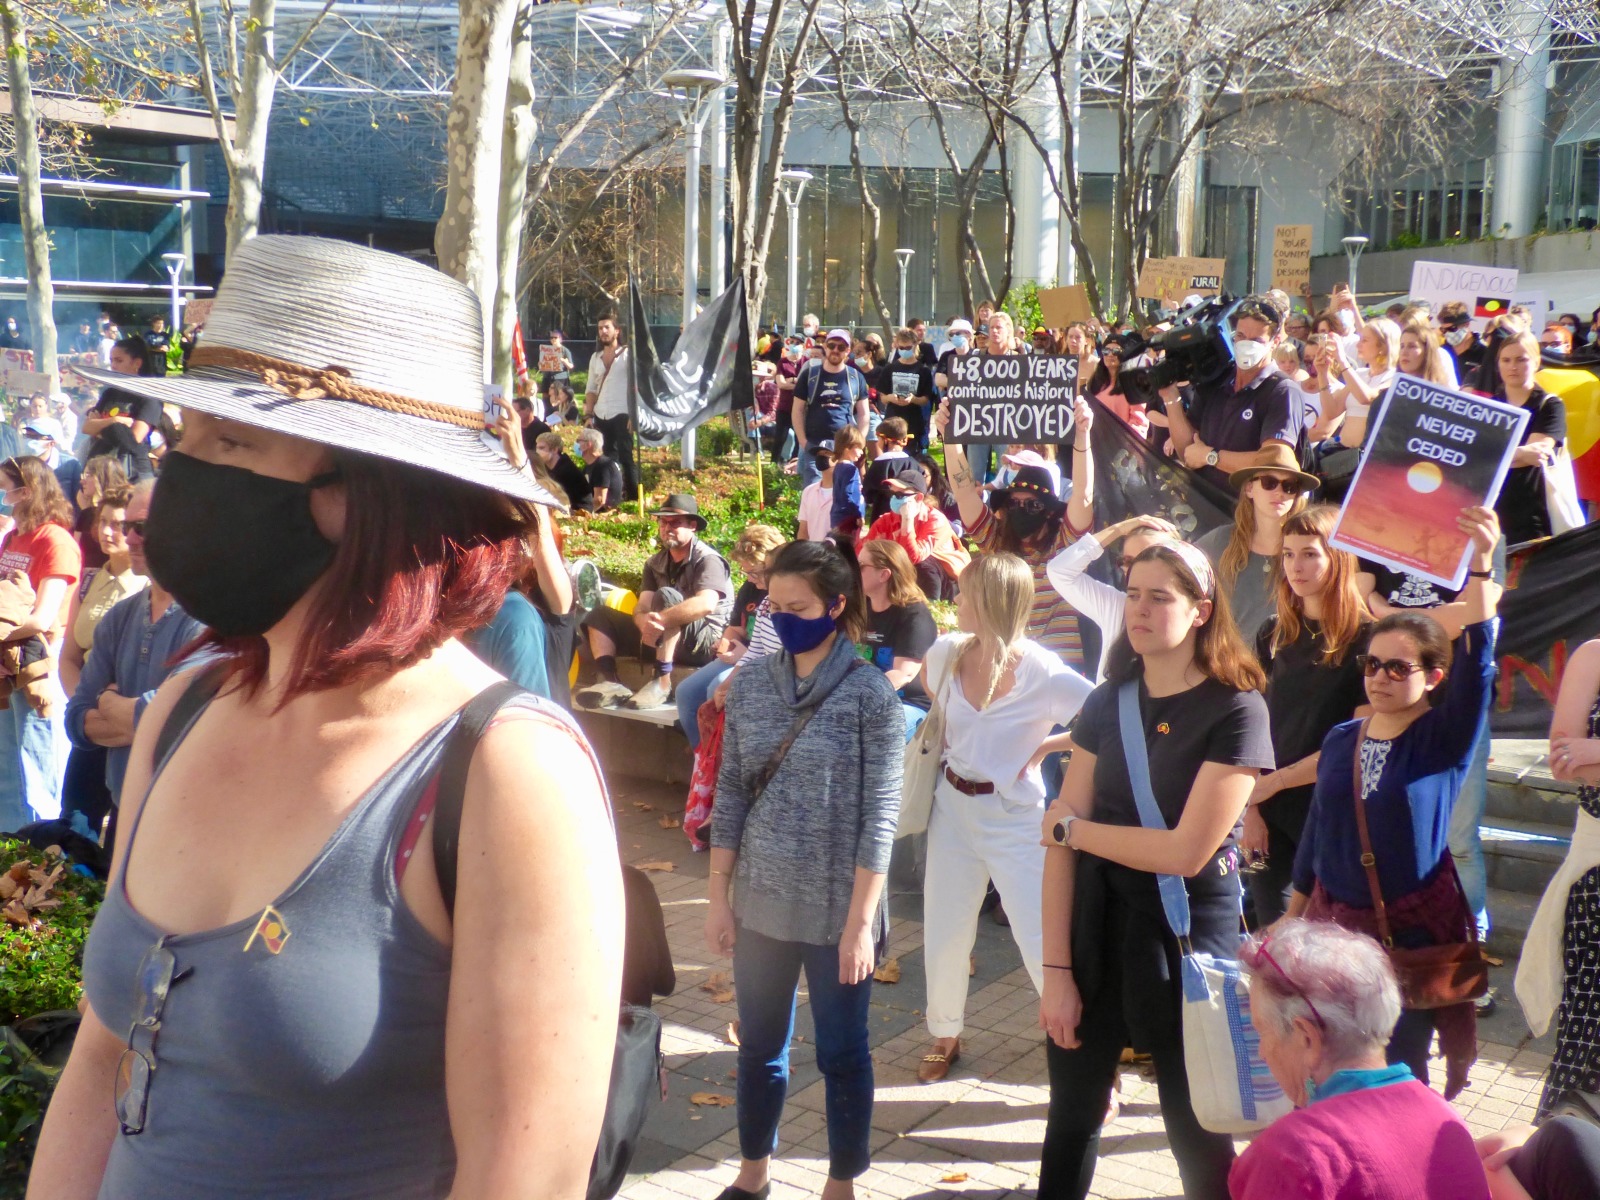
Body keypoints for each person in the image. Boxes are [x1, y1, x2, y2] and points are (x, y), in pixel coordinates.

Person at [30, 235, 619, 1198]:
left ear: (368, 493)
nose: (182, 472)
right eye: (188, 433)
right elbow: (103, 1064)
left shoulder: (506, 772)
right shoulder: (182, 708)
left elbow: (523, 1180)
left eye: (231, 442)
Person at [1038, 540, 1273, 1199]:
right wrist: (1056, 971)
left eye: (1159, 597)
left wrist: (1076, 831)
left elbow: (1184, 852)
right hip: (1098, 925)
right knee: (1072, 1115)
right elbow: (1057, 848)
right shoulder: (1108, 699)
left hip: (1188, 936)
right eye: (1133, 594)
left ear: (1201, 611)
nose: (1138, 609)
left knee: (1197, 1128)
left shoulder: (1237, 708)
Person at [704, 537, 901, 1200]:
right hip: (761, 903)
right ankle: (753, 1173)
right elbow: (732, 791)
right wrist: (718, 896)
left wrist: (860, 926)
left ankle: (841, 1183)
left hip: (839, 911)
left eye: (799, 607)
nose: (784, 619)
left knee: (842, 1052)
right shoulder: (752, 685)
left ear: (836, 606)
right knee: (759, 1047)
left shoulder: (870, 695)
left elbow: (880, 817)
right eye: (774, 607)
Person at [1288, 506, 1502, 1098]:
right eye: (1372, 664)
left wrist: (1482, 565)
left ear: (1433, 677)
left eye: (1398, 667)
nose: (1380, 676)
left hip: (1408, 942)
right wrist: (1293, 913)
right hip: (1333, 938)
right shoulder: (1341, 739)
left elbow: (1479, 663)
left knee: (1400, 1075)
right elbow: (1318, 831)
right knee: (1330, 1068)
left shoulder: (1443, 739)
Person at [916, 553, 1094, 1085]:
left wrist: (1046, 746)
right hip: (952, 806)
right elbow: (931, 691)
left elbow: (1103, 719)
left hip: (1015, 818)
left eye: (965, 592)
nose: (955, 601)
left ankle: (1084, 1058)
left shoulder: (1043, 671)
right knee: (945, 930)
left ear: (992, 601)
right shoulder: (947, 652)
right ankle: (944, 1033)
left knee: (1041, 938)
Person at [1229, 919, 1490, 1200]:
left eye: (1262, 1032)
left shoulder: (1291, 1156)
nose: (1262, 1052)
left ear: (1307, 1038)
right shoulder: (1442, 1116)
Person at [1245, 505, 1373, 927]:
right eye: (1287, 554)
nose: (1295, 566)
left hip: (1329, 808)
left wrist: (1275, 783)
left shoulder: (1368, 639)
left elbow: (1356, 743)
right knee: (1274, 935)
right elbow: (1250, 726)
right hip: (1268, 807)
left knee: (1327, 936)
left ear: (1337, 557)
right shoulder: (1273, 631)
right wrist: (1251, 807)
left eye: (1309, 554)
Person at [64, 480, 205, 832]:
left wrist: (108, 702)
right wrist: (145, 719)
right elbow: (77, 719)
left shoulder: (209, 620)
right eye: (127, 526)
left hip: (183, 822)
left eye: (140, 527)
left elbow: (179, 719)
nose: (129, 538)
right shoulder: (120, 617)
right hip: (122, 809)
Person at [935, 395, 1098, 677]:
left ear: (1049, 510)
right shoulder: (996, 542)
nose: (1021, 509)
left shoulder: (1066, 543)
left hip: (1061, 671)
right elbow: (964, 492)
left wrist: (1082, 436)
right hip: (1008, 669)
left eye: (1032, 505)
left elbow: (1083, 495)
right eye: (1014, 503)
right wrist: (951, 439)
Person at [1516, 636, 1600, 1119]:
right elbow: (1564, 762)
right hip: (1595, 881)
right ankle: (1567, 1151)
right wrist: (1583, 754)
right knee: (1585, 1036)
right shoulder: (1594, 655)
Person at [579, 494, 734, 710]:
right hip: (661, 636)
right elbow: (643, 605)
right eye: (663, 522)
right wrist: (643, 621)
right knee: (600, 615)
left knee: (668, 596)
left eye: (675, 523)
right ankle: (610, 682)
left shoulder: (708, 560)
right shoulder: (654, 563)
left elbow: (706, 603)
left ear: (692, 526)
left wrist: (660, 619)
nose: (667, 528)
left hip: (703, 643)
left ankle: (662, 681)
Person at [0, 455, 83, 832]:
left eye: (6, 489)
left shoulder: (55, 540)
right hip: (9, 659)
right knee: (7, 766)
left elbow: (44, 617)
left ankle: (43, 847)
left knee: (37, 762)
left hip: (39, 664)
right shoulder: (14, 537)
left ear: (27, 491)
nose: (3, 496)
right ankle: (10, 844)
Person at [58, 485, 146, 837]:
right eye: (103, 522)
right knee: (75, 823)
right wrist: (82, 705)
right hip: (90, 716)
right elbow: (69, 655)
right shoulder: (89, 580)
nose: (108, 532)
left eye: (120, 524)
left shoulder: (146, 587)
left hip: (126, 719)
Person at [1162, 295, 1303, 491]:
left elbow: (1275, 460)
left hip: (1246, 506)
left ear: (1275, 341)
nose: (1246, 344)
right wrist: (1171, 398)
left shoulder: (1282, 390)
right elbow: (1187, 450)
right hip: (1203, 502)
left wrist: (1211, 456)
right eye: (1241, 336)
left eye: (1256, 340)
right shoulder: (1217, 380)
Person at [673, 524, 785, 749]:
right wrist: (725, 642)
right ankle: (703, 756)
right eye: (746, 572)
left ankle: (721, 758)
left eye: (754, 573)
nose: (750, 579)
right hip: (742, 655)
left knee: (717, 687)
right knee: (686, 692)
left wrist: (745, 656)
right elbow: (736, 627)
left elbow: (783, 651)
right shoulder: (752, 590)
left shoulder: (784, 595)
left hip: (764, 661)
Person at [1195, 445, 1315, 647]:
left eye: (1289, 486)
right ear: (1249, 488)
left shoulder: (1308, 547)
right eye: (1269, 483)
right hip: (1227, 661)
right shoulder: (1220, 540)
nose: (1279, 492)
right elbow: (1176, 568)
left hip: (1286, 662)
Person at [1045, 514, 1180, 681]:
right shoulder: (1117, 606)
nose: (1135, 570)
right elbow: (1059, 571)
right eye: (1128, 561)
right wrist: (1119, 529)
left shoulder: (1188, 614)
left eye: (1147, 559)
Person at [856, 539, 939, 738]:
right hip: (867, 700)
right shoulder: (861, 609)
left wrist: (858, 700)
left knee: (872, 732)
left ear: (884, 574)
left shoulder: (914, 615)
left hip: (910, 704)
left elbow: (903, 674)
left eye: (861, 566)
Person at [1492, 331, 1568, 543]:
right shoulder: (1490, 406)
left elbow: (1536, 454)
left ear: (1536, 362)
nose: (1512, 366)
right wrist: (1520, 453)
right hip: (1492, 509)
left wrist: (1493, 456)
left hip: (1532, 513)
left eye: (1521, 359)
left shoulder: (1550, 405)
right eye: (1506, 360)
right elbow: (1476, 457)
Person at [861, 472, 967, 601]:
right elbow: (861, 552)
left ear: (918, 498)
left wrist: (907, 520)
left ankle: (930, 605)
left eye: (900, 495)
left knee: (923, 564)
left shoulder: (935, 520)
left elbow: (913, 558)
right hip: (901, 576)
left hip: (943, 581)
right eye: (892, 494)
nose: (894, 499)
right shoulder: (886, 520)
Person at [793, 329, 872, 491]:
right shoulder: (809, 375)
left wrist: (859, 442)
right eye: (831, 345)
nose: (835, 350)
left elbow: (864, 413)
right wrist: (803, 442)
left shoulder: (856, 377)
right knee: (815, 494)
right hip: (815, 447)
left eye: (841, 347)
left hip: (846, 448)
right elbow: (797, 410)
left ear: (848, 351)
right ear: (825, 347)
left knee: (845, 495)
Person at [1310, 316, 1400, 450]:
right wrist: (1322, 374)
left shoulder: (1395, 377)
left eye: (1365, 340)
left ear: (1383, 346)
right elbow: (1332, 411)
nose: (1358, 345)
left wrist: (1342, 361)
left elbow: (1367, 398)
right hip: (1343, 453)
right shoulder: (1360, 374)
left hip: (1367, 455)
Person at [584, 311, 637, 502]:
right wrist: (588, 415)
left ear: (617, 331)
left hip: (622, 412)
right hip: (601, 413)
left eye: (607, 327)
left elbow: (637, 386)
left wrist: (635, 414)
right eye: (600, 328)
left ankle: (633, 498)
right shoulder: (595, 357)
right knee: (605, 458)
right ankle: (611, 497)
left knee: (626, 456)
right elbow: (591, 388)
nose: (603, 331)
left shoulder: (628, 355)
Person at [876, 328, 935, 452]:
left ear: (915, 345)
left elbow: (925, 399)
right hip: (892, 420)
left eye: (908, 348)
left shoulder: (923, 370)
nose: (904, 350)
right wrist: (890, 398)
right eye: (901, 348)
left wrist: (913, 399)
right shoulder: (889, 369)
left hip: (913, 421)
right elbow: (883, 397)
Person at [72, 456, 131, 572]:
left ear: (102, 478)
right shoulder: (85, 515)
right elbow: (74, 555)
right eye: (103, 521)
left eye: (88, 475)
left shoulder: (128, 510)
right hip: (89, 577)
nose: (82, 481)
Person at [1084, 336, 1150, 438]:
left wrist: (1122, 441)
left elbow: (1138, 422)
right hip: (1096, 441)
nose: (1110, 354)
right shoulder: (1095, 383)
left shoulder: (1135, 383)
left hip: (1123, 443)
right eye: (1106, 351)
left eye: (1116, 351)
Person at [861, 416, 923, 523]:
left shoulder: (879, 465)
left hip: (882, 516)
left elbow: (868, 492)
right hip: (909, 513)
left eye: (878, 439)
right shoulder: (914, 463)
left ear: (885, 440)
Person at [533, 430, 594, 513]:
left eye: (542, 448)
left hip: (579, 511)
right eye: (537, 448)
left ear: (555, 450)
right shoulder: (547, 467)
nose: (537, 452)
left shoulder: (567, 470)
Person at [576, 426, 624, 512]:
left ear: (588, 444)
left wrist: (583, 513)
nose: (576, 445)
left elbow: (599, 500)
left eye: (578, 441)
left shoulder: (602, 466)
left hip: (603, 513)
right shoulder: (589, 466)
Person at [796, 442, 836, 541]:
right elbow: (803, 530)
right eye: (819, 454)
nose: (821, 457)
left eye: (827, 453)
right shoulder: (808, 491)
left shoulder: (845, 492)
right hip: (813, 549)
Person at [1440, 304, 1488, 378]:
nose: (1447, 333)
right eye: (1443, 329)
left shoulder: (1484, 353)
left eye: (1452, 328)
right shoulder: (1441, 352)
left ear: (1466, 324)